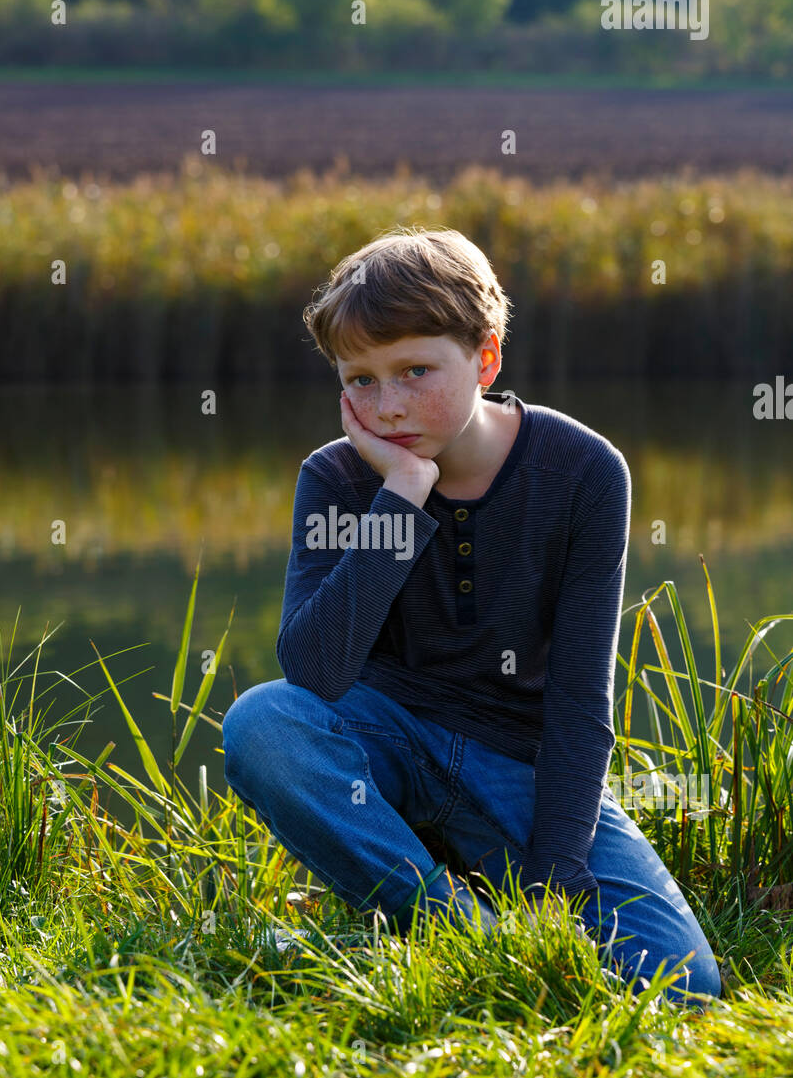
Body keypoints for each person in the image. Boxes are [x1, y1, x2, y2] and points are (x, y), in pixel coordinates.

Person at [221, 226, 722, 1008]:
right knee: (261, 724)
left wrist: (558, 883)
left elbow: (581, 703)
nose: (386, 407)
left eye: (415, 371)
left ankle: (490, 896)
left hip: (522, 771)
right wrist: (402, 495)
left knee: (684, 987)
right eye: (360, 380)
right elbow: (315, 674)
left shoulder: (585, 472)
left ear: (485, 358)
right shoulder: (336, 478)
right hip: (385, 750)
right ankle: (461, 931)